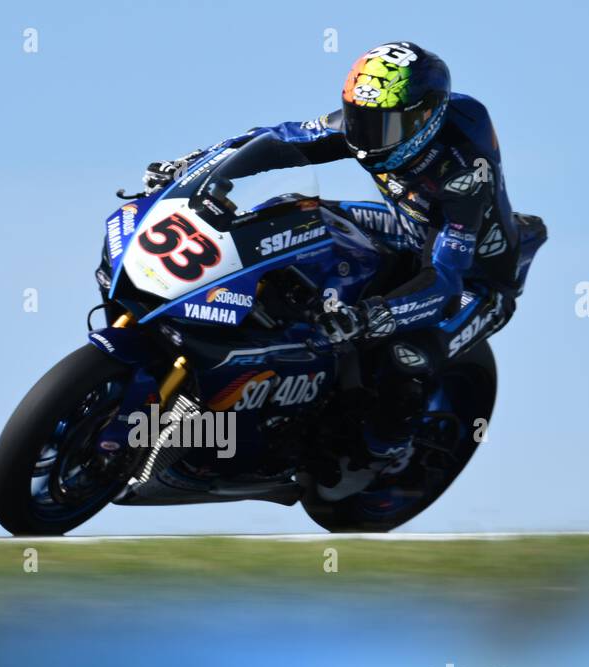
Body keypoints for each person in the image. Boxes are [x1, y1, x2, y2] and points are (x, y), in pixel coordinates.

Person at [142, 41, 544, 486]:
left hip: (475, 279)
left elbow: (444, 281)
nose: (365, 135)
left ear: (424, 119)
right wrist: (196, 169)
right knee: (294, 216)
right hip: (406, 231)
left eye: (381, 124)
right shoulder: (374, 127)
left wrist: (370, 316)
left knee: (403, 356)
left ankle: (385, 453)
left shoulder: (463, 173)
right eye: (357, 117)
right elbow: (279, 139)